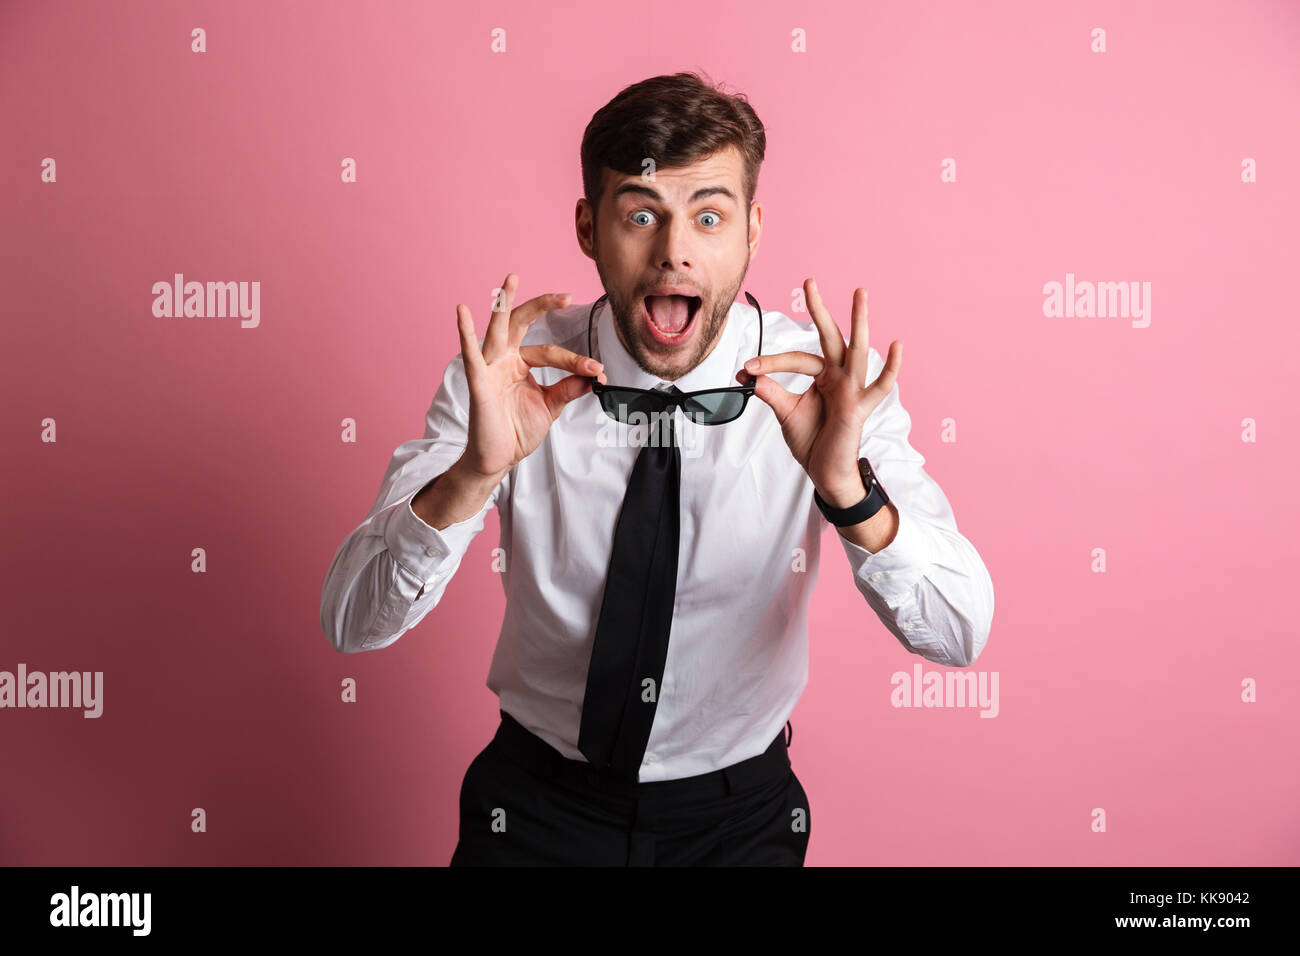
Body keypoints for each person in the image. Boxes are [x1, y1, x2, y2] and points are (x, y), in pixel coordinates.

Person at [320, 71, 994, 866]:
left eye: (709, 216)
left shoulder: (833, 388)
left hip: (736, 822)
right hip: (535, 812)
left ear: (751, 231)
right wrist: (471, 476)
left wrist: (848, 493)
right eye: (642, 214)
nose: (674, 251)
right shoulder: (509, 377)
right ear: (587, 227)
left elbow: (959, 634)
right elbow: (351, 623)